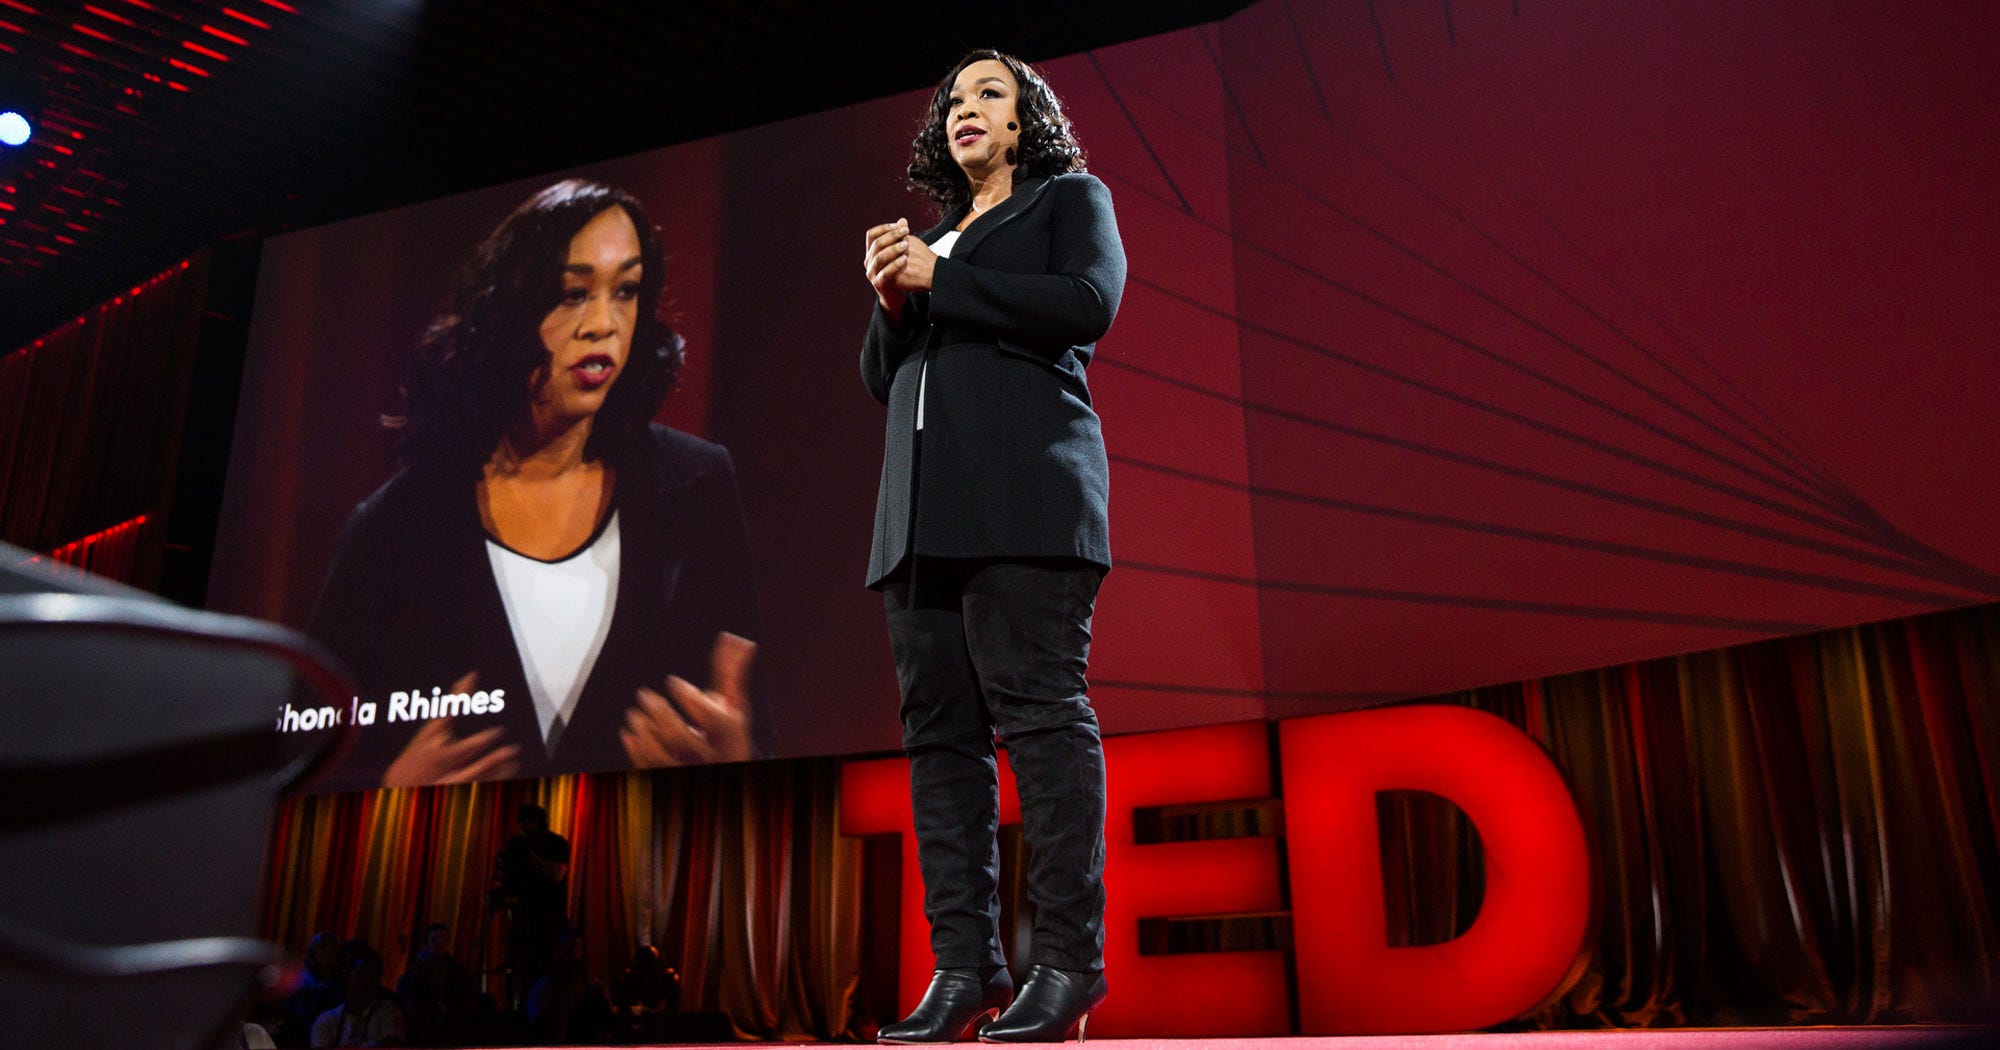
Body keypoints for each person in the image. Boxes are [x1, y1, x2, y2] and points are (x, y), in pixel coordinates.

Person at [305, 179, 766, 790]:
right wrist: (387, 789)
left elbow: (759, 733)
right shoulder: (395, 526)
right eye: (573, 294)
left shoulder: (697, 484)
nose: (603, 324)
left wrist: (745, 764)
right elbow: (300, 750)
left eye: (625, 291)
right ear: (508, 311)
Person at [859, 49, 1126, 1043]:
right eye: (952, 99)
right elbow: (881, 378)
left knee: (1042, 722)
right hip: (921, 523)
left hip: (1024, 502)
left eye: (989, 96)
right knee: (939, 746)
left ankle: (1065, 967)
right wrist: (894, 303)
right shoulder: (926, 241)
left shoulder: (1065, 201)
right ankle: (964, 970)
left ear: (1020, 126)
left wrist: (947, 276)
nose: (965, 108)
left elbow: (1086, 306)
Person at [494, 802, 570, 999]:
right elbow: (508, 876)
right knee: (520, 964)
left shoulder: (556, 844)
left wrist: (531, 856)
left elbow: (556, 874)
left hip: (549, 916)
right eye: (522, 824)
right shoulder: (516, 844)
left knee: (547, 963)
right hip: (523, 916)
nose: (525, 829)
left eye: (529, 823)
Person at [310, 947, 406, 1048]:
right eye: (360, 974)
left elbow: (393, 1043)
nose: (365, 981)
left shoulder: (389, 1011)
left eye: (371, 976)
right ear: (346, 979)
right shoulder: (327, 1020)